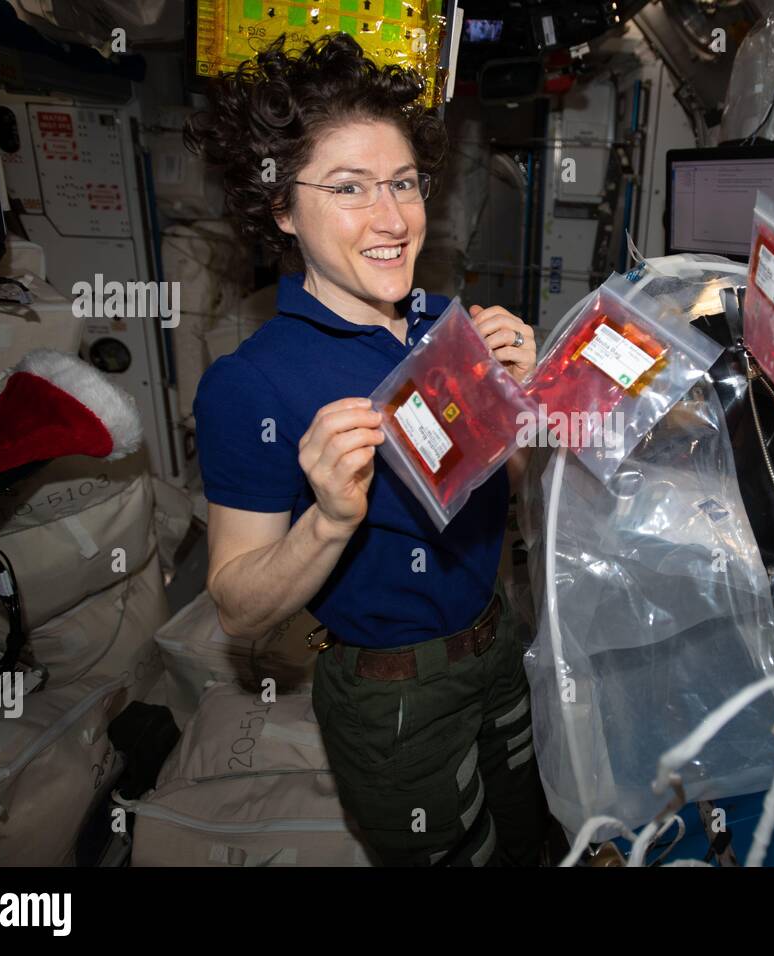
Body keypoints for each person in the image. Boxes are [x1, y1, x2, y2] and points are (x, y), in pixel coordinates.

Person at [185, 33, 548, 866]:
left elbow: (501, 484)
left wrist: (517, 410)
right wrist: (328, 521)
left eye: (404, 184)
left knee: (528, 826)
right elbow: (239, 607)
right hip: (396, 692)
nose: (391, 220)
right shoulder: (252, 386)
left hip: (497, 641)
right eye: (349, 189)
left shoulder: (442, 323)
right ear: (282, 207)